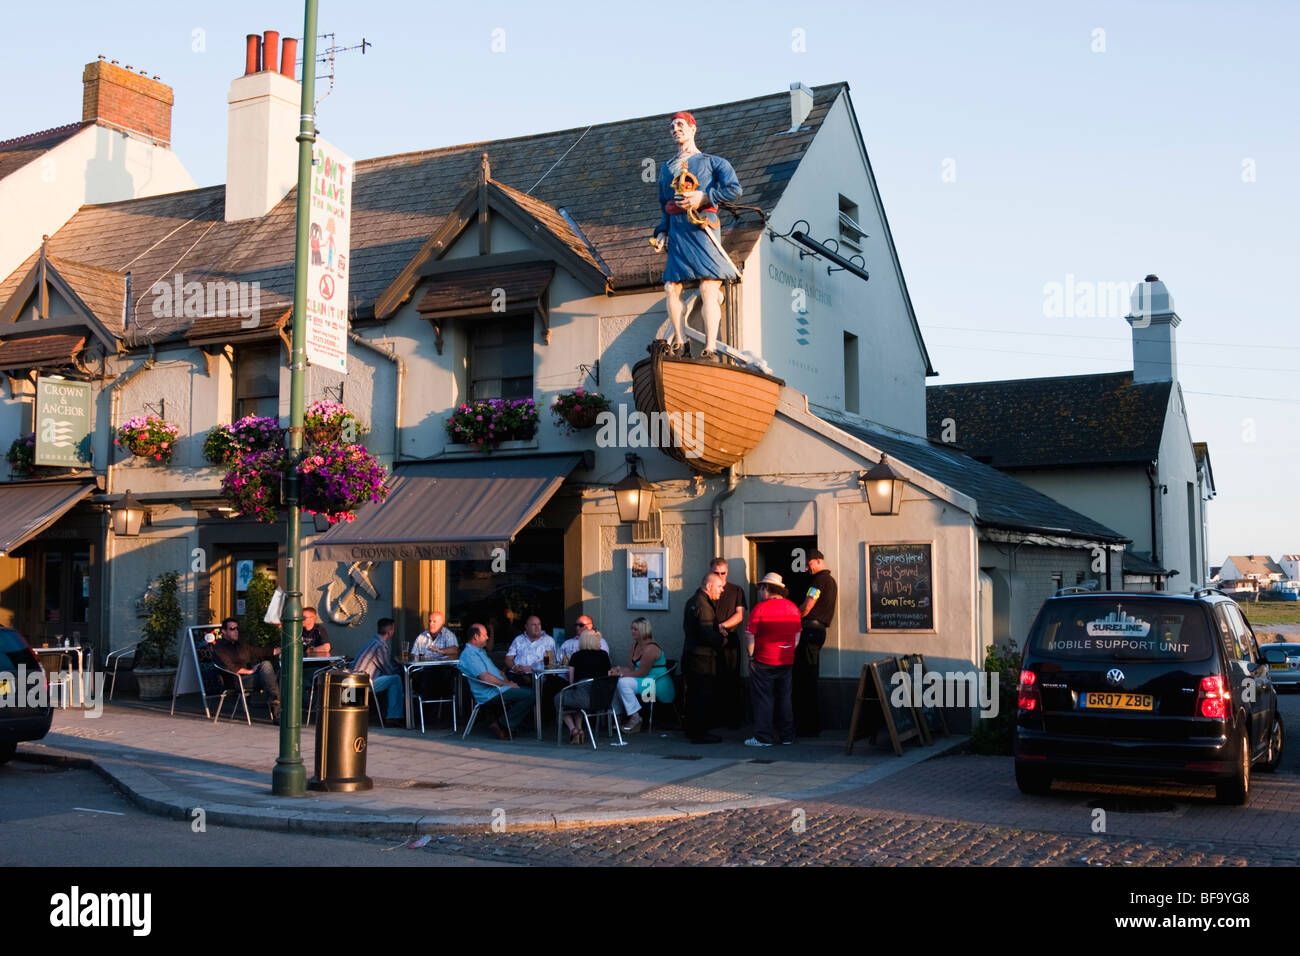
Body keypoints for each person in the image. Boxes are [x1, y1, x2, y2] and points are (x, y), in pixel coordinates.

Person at [650, 111, 743, 358]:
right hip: (678, 232)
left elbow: (734, 190)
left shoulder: (713, 162)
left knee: (708, 286)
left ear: (693, 129)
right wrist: (662, 231)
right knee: (671, 287)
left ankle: (710, 347)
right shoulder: (666, 168)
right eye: (672, 126)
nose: (676, 129)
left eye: (681, 125)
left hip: (703, 228)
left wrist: (704, 197)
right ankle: (681, 342)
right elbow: (664, 205)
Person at [744, 573, 801, 747]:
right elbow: (797, 634)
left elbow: (749, 635)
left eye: (760, 588)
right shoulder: (793, 608)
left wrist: (751, 654)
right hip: (786, 659)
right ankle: (786, 737)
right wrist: (789, 650)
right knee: (785, 698)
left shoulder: (760, 608)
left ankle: (763, 737)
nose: (759, 592)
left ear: (766, 588)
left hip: (763, 660)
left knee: (764, 698)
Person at [458, 623, 534, 740]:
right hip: (490, 693)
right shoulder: (469, 655)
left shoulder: (480, 651)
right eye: (485, 635)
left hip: (499, 688)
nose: (487, 637)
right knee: (531, 695)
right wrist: (507, 684)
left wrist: (509, 682)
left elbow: (498, 672)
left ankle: (511, 724)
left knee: (524, 685)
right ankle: (502, 724)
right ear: (476, 637)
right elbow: (486, 678)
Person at [795, 549, 838, 736]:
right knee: (809, 676)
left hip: (810, 631)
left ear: (819, 561)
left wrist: (792, 615)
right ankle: (810, 725)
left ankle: (809, 726)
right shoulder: (830, 581)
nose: (806, 568)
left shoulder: (818, 581)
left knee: (806, 679)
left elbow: (807, 606)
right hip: (819, 631)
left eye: (809, 564)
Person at [611, 616, 675, 734]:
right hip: (643, 679)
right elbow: (632, 669)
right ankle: (618, 716)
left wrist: (622, 674)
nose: (632, 631)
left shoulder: (651, 648)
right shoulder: (635, 646)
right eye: (632, 628)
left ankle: (635, 717)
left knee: (622, 682)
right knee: (614, 681)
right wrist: (617, 670)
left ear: (644, 630)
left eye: (635, 629)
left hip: (656, 682)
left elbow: (642, 672)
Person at [682, 572, 726, 743]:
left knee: (693, 693)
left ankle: (692, 729)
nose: (722, 590)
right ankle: (700, 733)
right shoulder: (704, 605)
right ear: (709, 586)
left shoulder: (692, 601)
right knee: (702, 694)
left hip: (693, 655)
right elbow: (706, 633)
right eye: (719, 586)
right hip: (702, 658)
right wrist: (721, 638)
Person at [212, 617, 282, 721]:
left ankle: (278, 708)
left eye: (237, 628)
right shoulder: (219, 647)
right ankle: (277, 712)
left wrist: (281, 649)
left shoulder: (240, 646)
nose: (236, 631)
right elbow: (229, 667)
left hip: (250, 678)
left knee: (277, 672)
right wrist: (250, 671)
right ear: (224, 631)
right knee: (267, 669)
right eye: (232, 629)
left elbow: (260, 651)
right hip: (236, 681)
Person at [710, 557, 748, 729]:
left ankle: (732, 719)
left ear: (727, 572)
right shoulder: (707, 590)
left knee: (731, 678)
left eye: (723, 573)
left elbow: (740, 615)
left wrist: (722, 626)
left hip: (730, 639)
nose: (720, 576)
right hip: (711, 639)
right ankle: (715, 718)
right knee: (713, 678)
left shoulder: (736, 590)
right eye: (716, 573)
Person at [561, 630, 612, 744]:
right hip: (602, 700)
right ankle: (579, 729)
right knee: (576, 698)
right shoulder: (604, 655)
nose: (600, 642)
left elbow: (571, 682)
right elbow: (608, 677)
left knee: (559, 699)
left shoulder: (576, 656)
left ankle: (573, 729)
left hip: (582, 698)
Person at [351, 618, 404, 724]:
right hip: (363, 683)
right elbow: (388, 669)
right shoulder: (380, 646)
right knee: (396, 679)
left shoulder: (373, 642)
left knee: (392, 679)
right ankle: (394, 717)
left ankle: (389, 713)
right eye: (393, 629)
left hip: (355, 680)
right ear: (390, 631)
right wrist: (402, 669)